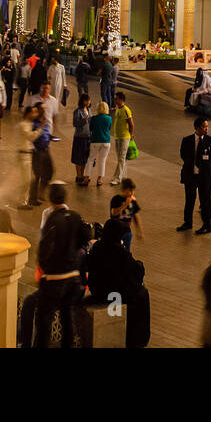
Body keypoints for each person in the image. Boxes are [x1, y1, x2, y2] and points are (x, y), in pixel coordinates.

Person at [29, 181, 93, 348]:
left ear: (50, 200)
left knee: (44, 320)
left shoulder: (52, 219)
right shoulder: (75, 216)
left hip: (55, 278)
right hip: (73, 279)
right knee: (67, 318)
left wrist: (43, 268)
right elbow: (86, 237)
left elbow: (44, 248)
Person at [83, 218, 151, 348]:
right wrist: (140, 264)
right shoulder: (120, 251)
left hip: (98, 291)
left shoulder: (97, 247)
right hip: (114, 295)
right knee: (142, 294)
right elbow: (136, 270)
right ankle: (137, 339)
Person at [178, 117, 211, 234]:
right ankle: (187, 222)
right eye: (205, 126)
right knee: (189, 199)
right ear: (198, 128)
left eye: (207, 126)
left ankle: (206, 225)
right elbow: (183, 155)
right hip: (190, 175)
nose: (207, 129)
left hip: (204, 176)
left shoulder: (210, 141)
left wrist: (204, 165)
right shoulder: (187, 140)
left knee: (205, 200)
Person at [25, 104, 53, 206]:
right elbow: (32, 136)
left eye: (45, 108)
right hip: (38, 151)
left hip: (46, 149)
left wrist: (51, 137)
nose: (44, 110)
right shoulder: (34, 123)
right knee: (36, 175)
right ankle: (32, 198)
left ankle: (41, 191)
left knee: (49, 171)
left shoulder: (44, 121)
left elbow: (46, 133)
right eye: (42, 108)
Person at [85, 100, 113, 188]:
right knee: (102, 160)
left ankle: (86, 178)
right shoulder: (109, 118)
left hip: (95, 141)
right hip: (106, 141)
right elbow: (109, 128)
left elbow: (91, 128)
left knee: (91, 159)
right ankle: (99, 180)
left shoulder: (94, 118)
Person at [110, 91, 133, 186]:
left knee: (121, 158)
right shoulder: (118, 109)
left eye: (116, 98)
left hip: (124, 137)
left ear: (121, 99)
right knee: (121, 158)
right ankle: (124, 176)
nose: (115, 100)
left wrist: (131, 135)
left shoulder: (126, 110)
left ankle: (117, 178)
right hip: (118, 136)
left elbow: (131, 124)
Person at [71, 94, 92, 185]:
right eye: (86, 100)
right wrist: (83, 120)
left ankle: (82, 175)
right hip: (79, 137)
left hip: (87, 137)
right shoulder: (77, 111)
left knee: (84, 158)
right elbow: (75, 124)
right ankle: (78, 176)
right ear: (82, 101)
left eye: (89, 100)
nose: (88, 102)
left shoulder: (89, 110)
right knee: (78, 157)